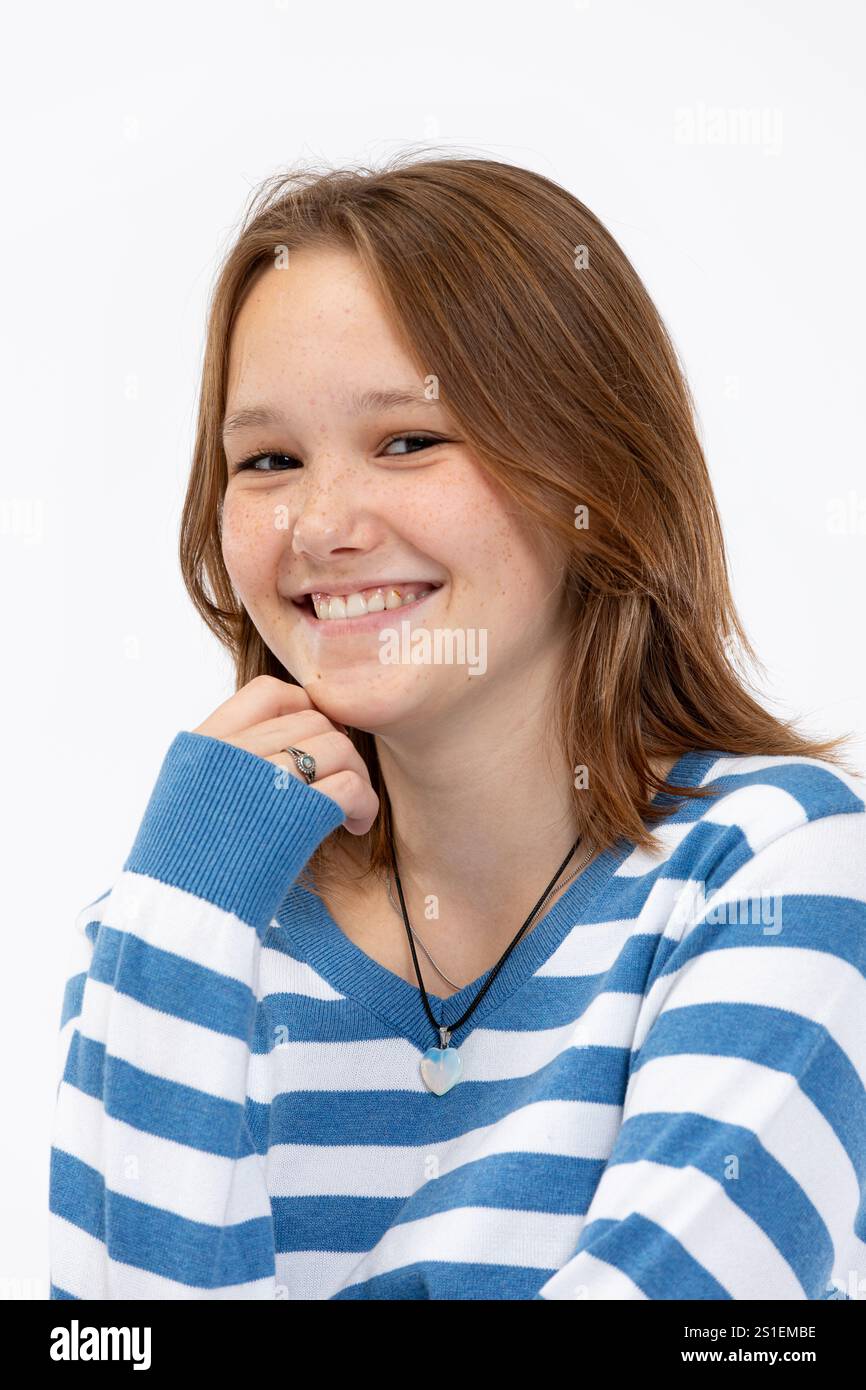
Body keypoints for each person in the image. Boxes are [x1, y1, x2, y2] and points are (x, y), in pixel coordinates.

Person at [49, 154, 866, 1300]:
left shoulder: (774, 872)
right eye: (267, 461)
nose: (323, 525)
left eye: (407, 440)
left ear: (593, 468)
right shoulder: (173, 934)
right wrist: (177, 916)